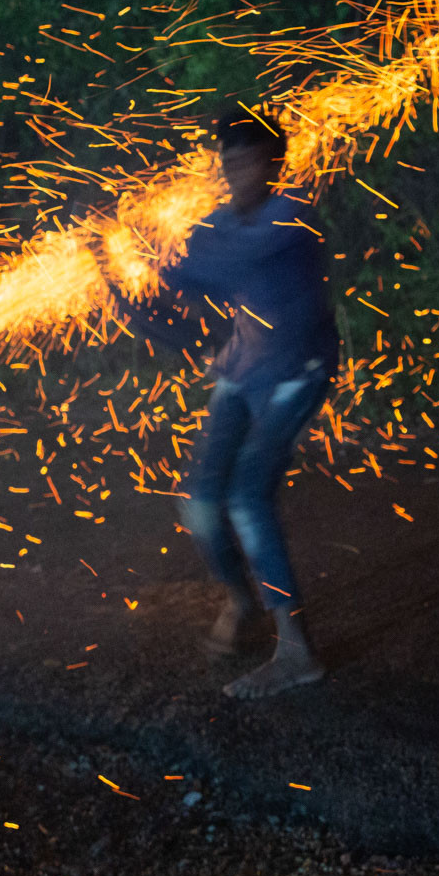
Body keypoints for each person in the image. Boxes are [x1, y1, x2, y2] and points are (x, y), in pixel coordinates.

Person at [114, 104, 339, 699]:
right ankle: (244, 603)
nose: (234, 169)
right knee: (201, 507)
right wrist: (111, 279)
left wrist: (135, 250)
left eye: (247, 159)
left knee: (246, 497)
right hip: (243, 367)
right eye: (227, 160)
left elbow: (207, 266)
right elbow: (170, 301)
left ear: (274, 164)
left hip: (297, 373)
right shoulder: (216, 226)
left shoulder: (291, 217)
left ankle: (296, 650)